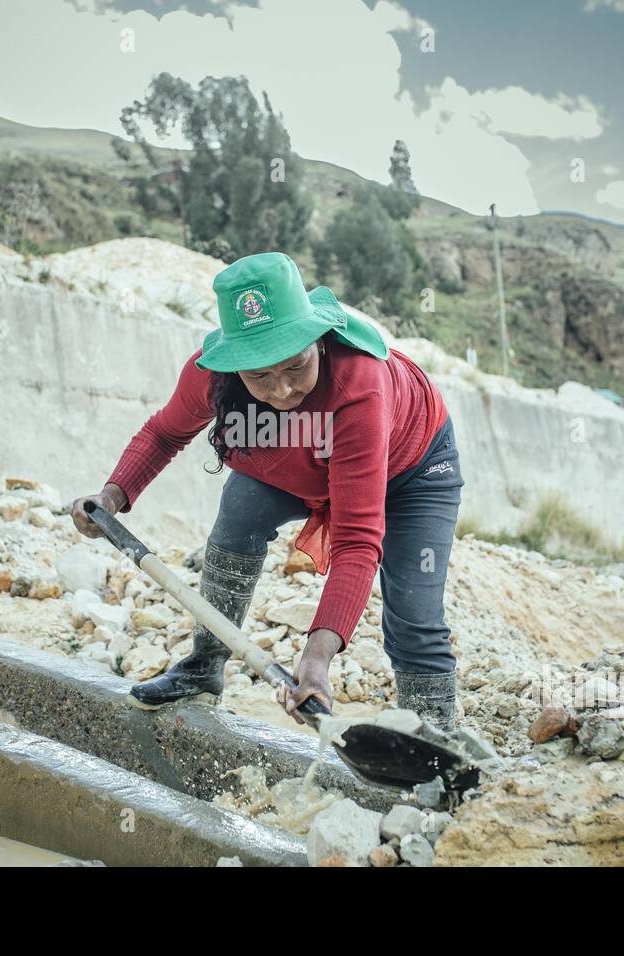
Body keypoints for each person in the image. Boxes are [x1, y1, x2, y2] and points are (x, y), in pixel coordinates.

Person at [70, 251, 464, 731]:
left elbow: (358, 540)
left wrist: (316, 659)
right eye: (259, 376)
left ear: (316, 340)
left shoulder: (359, 384)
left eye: (295, 367)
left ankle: (437, 742)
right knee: (240, 510)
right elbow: (164, 434)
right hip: (302, 458)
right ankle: (203, 668)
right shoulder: (211, 375)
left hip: (411, 470)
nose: (281, 390)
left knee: (414, 612)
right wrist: (112, 497)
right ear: (235, 366)